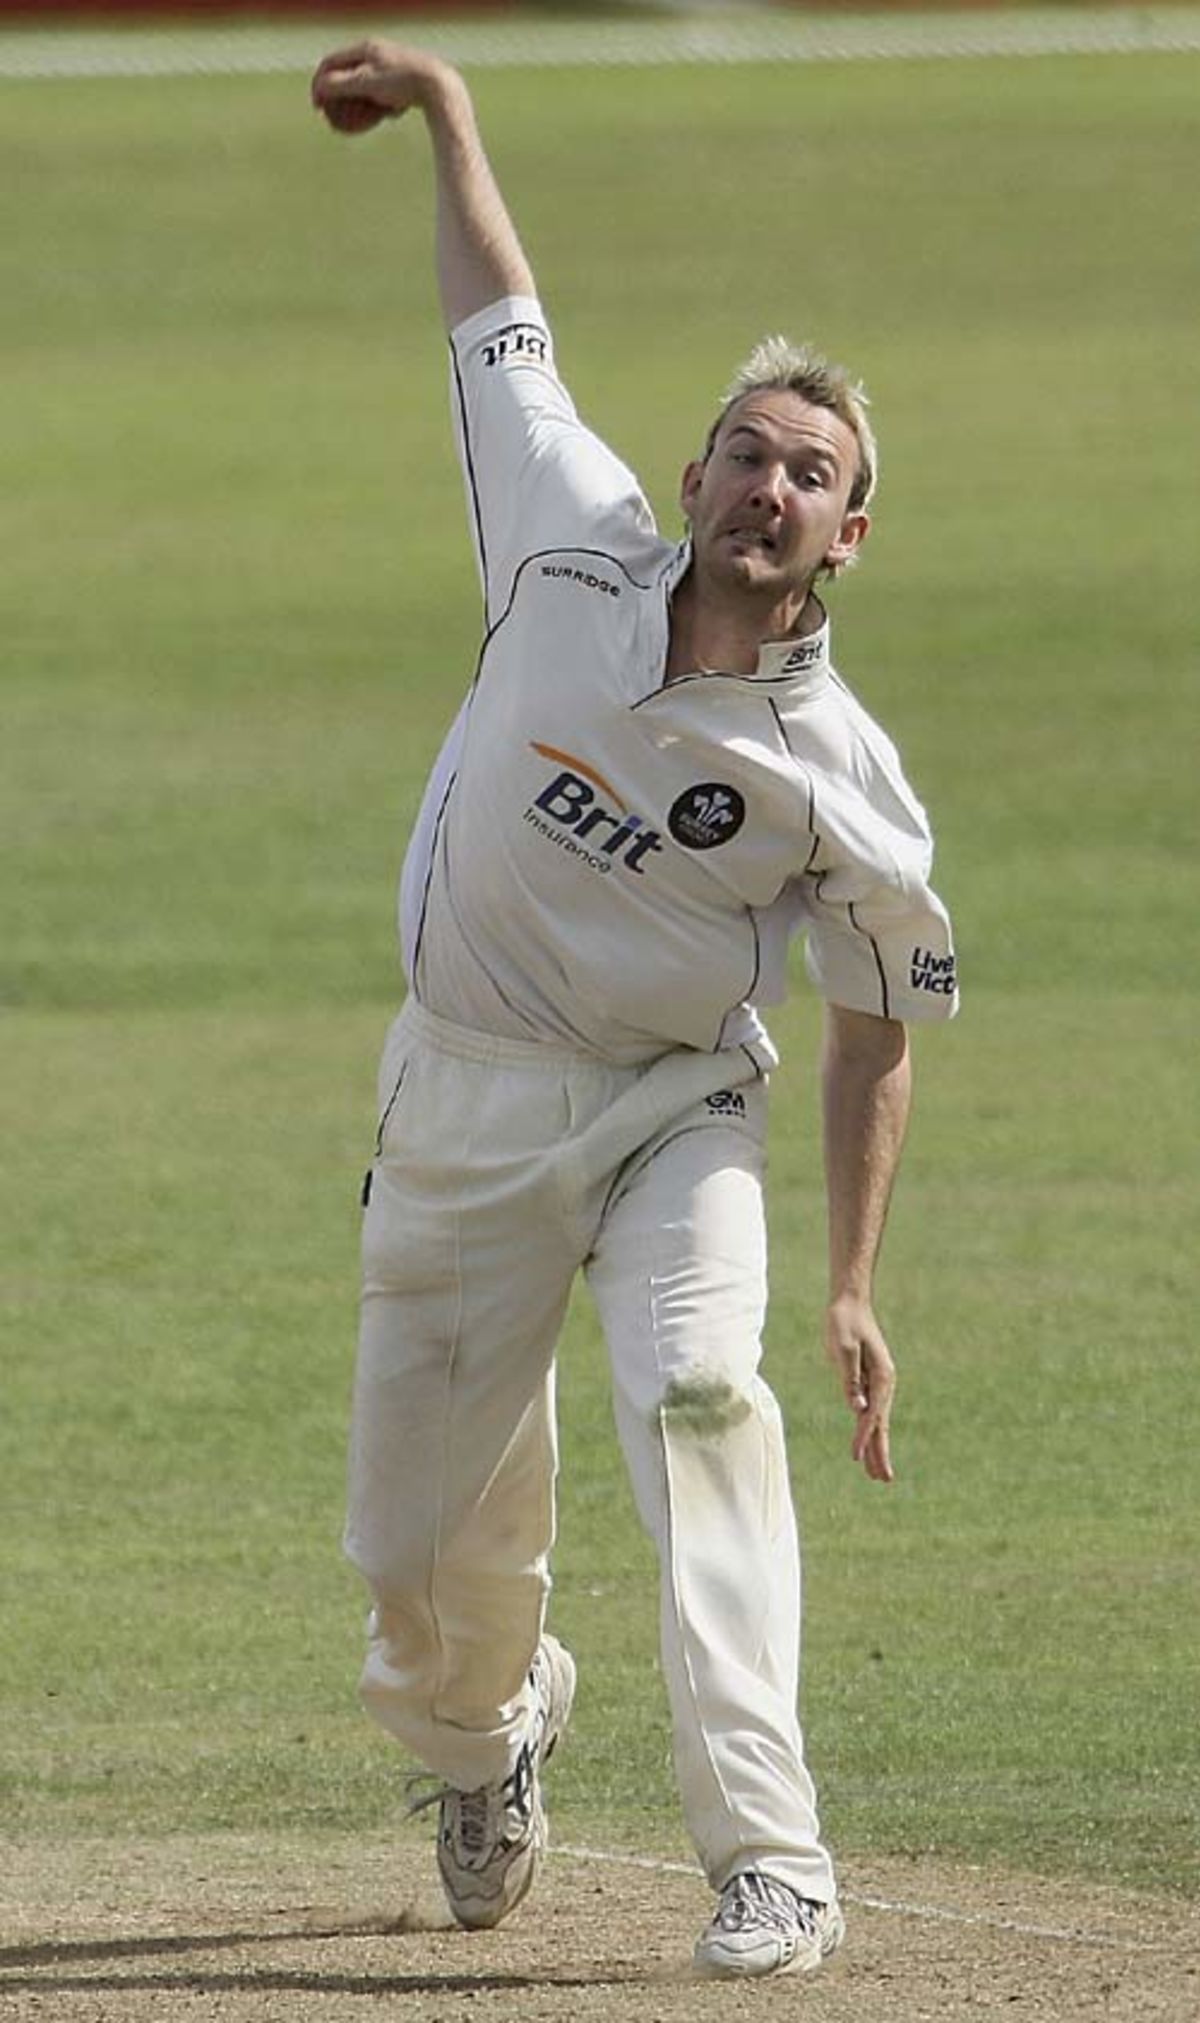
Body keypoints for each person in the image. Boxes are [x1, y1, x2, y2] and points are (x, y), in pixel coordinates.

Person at [311, 39, 958, 1983]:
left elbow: (870, 1023)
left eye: (814, 474)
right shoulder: (563, 529)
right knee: (415, 1555)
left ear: (849, 538)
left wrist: (849, 1284)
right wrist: (448, 111)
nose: (772, 484)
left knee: (704, 1402)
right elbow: (499, 314)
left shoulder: (847, 775)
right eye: (750, 451)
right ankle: (489, 1733)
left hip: (676, 1114)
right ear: (692, 477)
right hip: (457, 1102)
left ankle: (774, 1853)